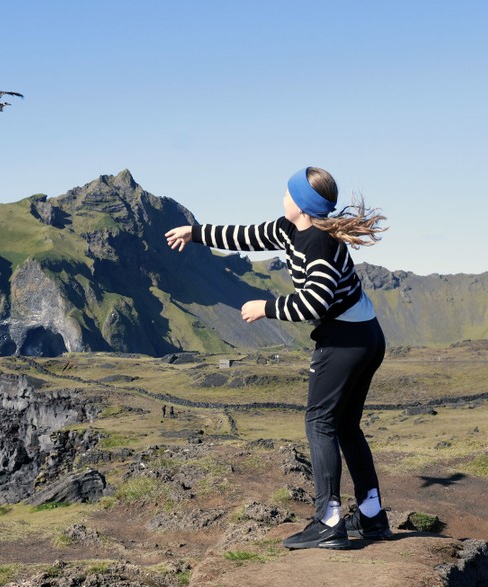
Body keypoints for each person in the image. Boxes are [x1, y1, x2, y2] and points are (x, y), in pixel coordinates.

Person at [164, 166, 391, 550]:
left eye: (288, 192)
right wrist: (195, 232)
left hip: (345, 340)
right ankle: (371, 515)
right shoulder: (290, 230)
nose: (282, 196)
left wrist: (265, 308)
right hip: (366, 333)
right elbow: (247, 235)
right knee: (346, 426)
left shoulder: (318, 244)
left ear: (301, 204)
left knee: (319, 422)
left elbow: (314, 301)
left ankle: (329, 520)